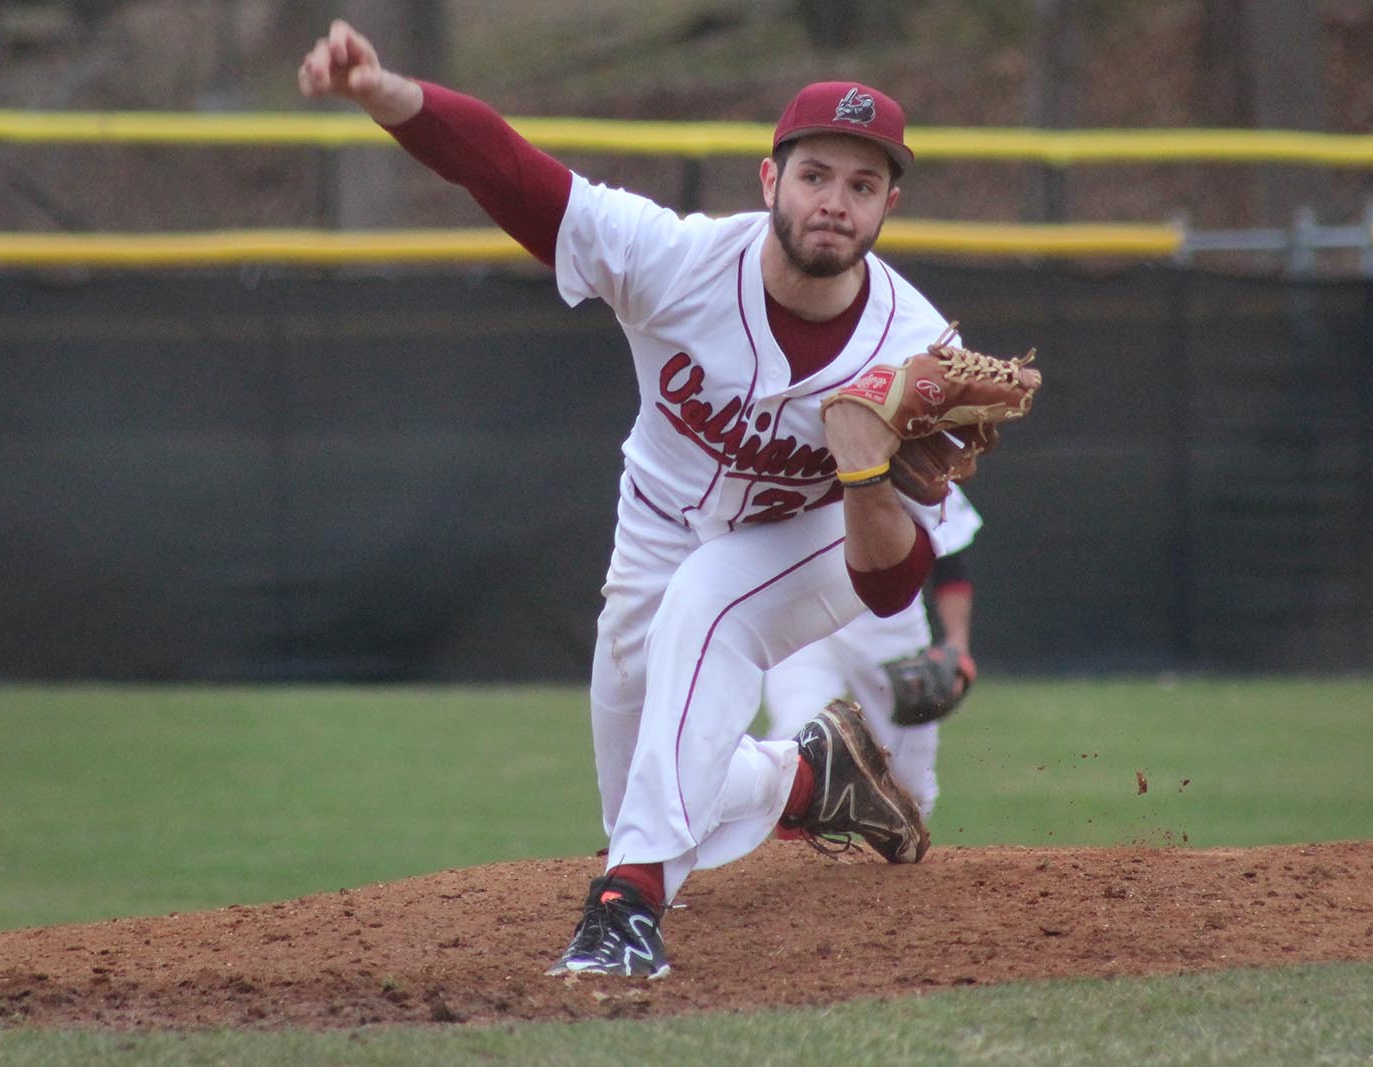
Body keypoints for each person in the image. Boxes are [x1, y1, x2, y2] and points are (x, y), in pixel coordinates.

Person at [299, 20, 994, 980]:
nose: (836, 201)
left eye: (863, 184)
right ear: (769, 182)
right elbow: (511, 172)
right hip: (657, 523)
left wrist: (868, 470)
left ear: (888, 206)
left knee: (709, 605)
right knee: (650, 790)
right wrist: (388, 94)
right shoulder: (677, 260)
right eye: (817, 175)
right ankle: (804, 776)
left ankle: (627, 911)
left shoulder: (912, 350)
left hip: (818, 540)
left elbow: (891, 587)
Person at [762, 487, 980, 821]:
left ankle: (902, 862)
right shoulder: (787, 448)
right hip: (801, 618)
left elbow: (949, 555)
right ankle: (800, 866)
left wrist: (958, 644)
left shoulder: (903, 451)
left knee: (909, 786)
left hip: (887, 622)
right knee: (795, 741)